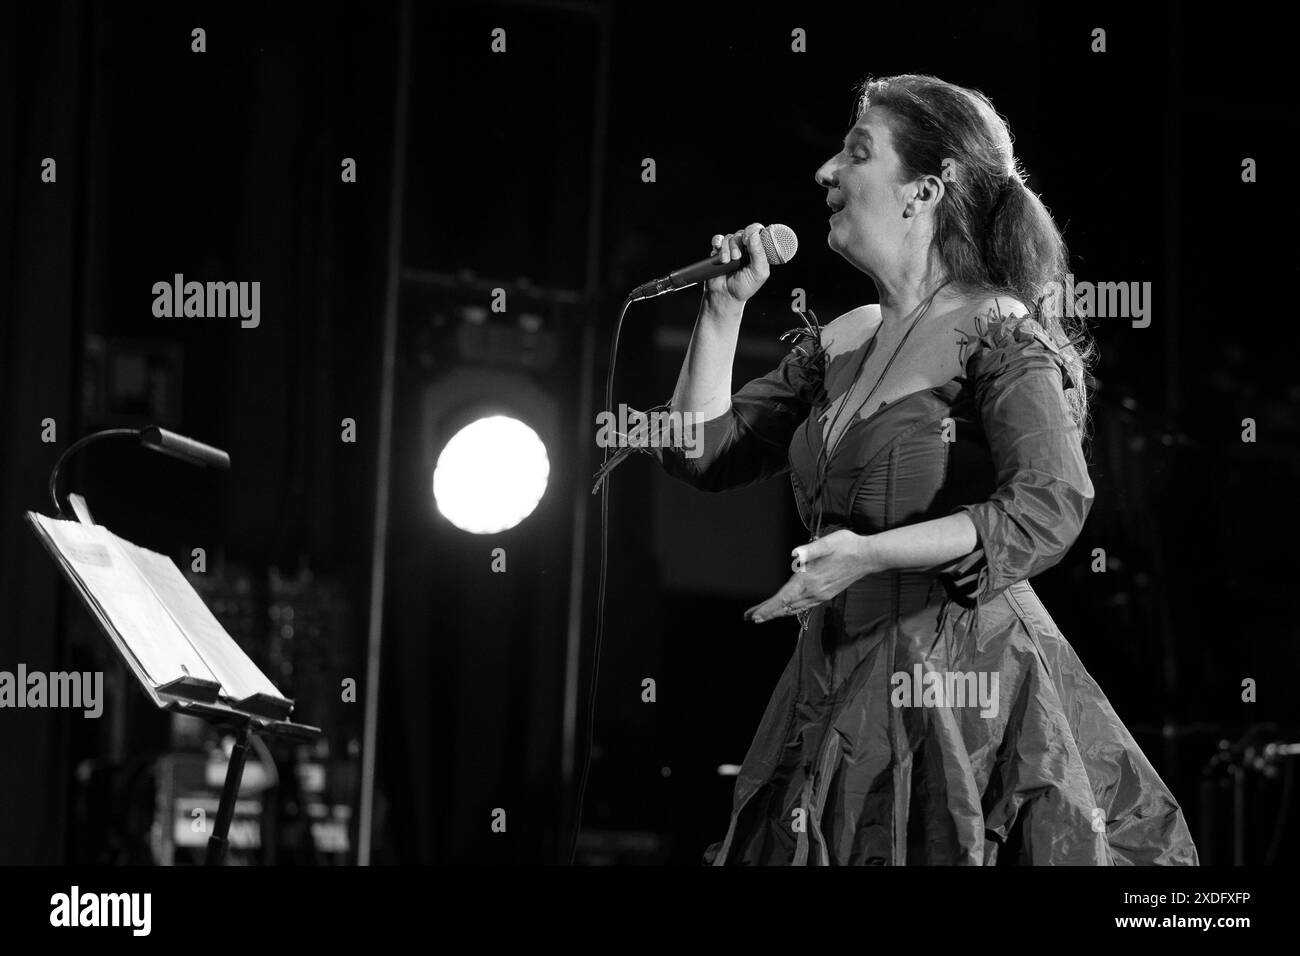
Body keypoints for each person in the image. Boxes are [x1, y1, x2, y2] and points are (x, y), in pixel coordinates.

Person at [633, 74, 1197, 865]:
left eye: (857, 153)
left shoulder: (994, 326)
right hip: (835, 680)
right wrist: (723, 311)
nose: (826, 172)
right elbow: (703, 452)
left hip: (961, 679)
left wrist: (868, 552)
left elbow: (1049, 503)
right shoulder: (846, 336)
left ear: (924, 190)